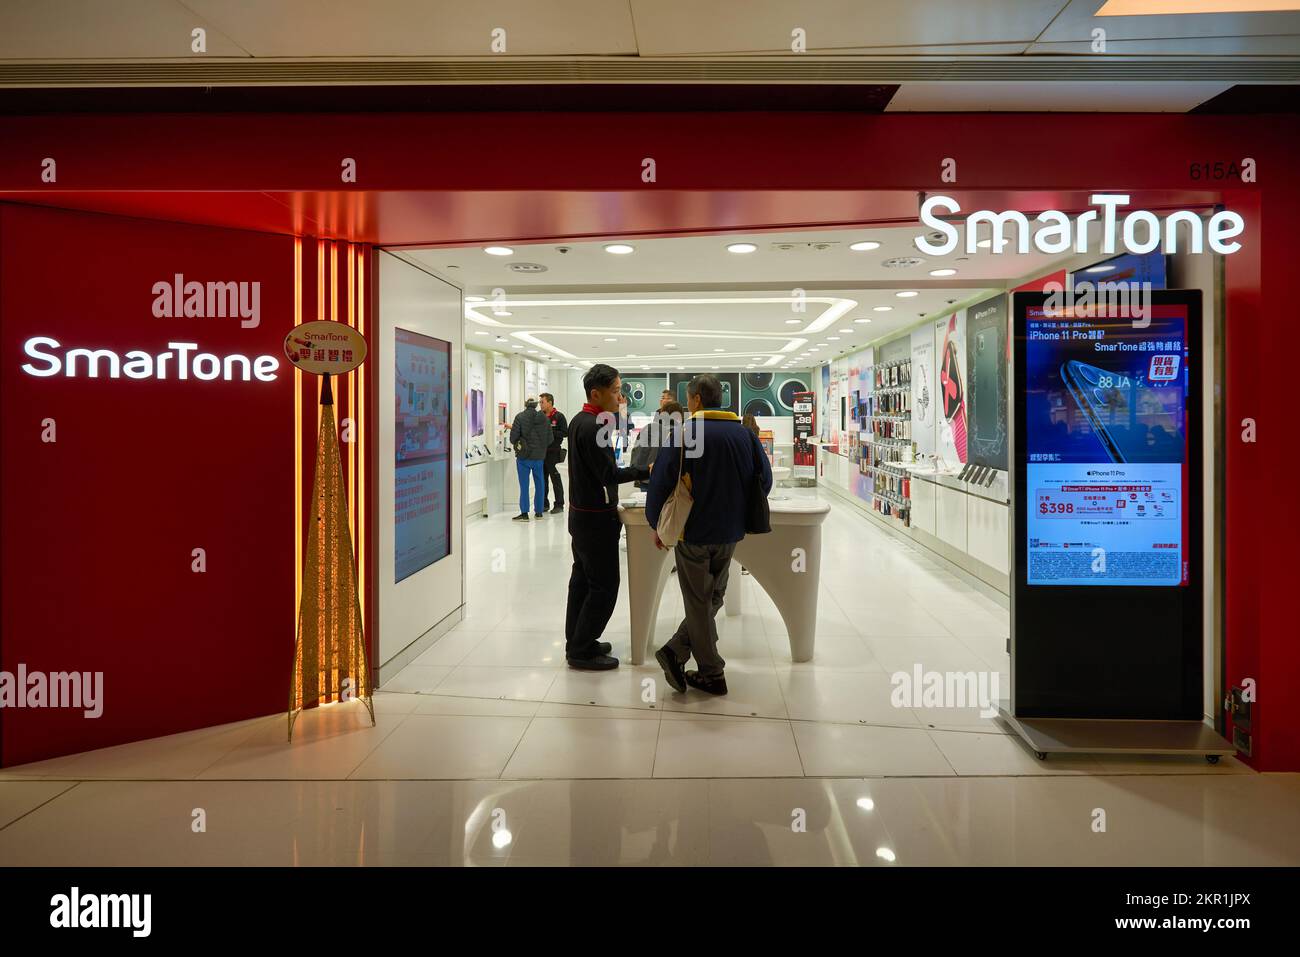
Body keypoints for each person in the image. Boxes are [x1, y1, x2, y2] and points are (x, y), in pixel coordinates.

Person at [646, 374, 772, 696]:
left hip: (693, 532)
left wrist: (655, 524)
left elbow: (661, 482)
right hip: (729, 532)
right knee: (713, 595)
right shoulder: (745, 435)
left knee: (700, 600)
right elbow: (764, 481)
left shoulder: (684, 434)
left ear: (696, 399)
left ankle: (709, 671)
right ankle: (677, 652)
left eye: (688, 398)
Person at [564, 364, 650, 670]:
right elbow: (608, 473)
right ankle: (582, 650)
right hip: (596, 520)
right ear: (596, 394)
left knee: (582, 582)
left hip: (580, 516)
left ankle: (576, 641)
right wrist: (645, 471)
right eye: (615, 391)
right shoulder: (596, 426)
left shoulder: (580, 420)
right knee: (603, 586)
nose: (620, 397)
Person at [509, 397, 551, 521]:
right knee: (540, 484)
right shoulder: (544, 418)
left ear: (526, 405)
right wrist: (540, 448)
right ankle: (539, 512)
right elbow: (550, 439)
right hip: (539, 458)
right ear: (536, 405)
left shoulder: (520, 417)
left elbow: (513, 438)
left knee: (524, 485)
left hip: (524, 458)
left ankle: (525, 513)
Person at [631, 400, 683, 491]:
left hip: (647, 479)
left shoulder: (650, 428)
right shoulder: (683, 432)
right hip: (673, 482)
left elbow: (636, 454)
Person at [539, 392, 568, 513]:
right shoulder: (539, 416)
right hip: (540, 453)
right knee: (542, 479)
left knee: (555, 479)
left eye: (542, 402)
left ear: (550, 403)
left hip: (553, 452)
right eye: (540, 402)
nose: (540, 405)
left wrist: (550, 432)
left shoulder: (559, 416)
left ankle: (559, 505)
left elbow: (565, 433)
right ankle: (544, 504)